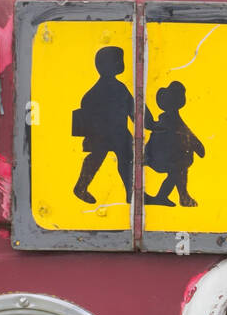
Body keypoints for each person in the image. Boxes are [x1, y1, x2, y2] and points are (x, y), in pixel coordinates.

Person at [72, 46, 151, 205]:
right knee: (100, 160)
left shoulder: (111, 88)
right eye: (117, 61)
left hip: (116, 133)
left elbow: (133, 107)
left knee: (123, 160)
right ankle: (82, 187)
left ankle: (131, 193)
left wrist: (146, 123)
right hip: (108, 134)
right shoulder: (111, 88)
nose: (121, 63)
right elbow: (133, 108)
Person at [144, 81, 206, 207]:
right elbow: (152, 126)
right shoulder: (170, 119)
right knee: (178, 170)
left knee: (178, 170)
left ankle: (179, 196)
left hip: (164, 157)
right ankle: (170, 196)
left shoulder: (172, 119)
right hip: (157, 158)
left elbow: (188, 135)